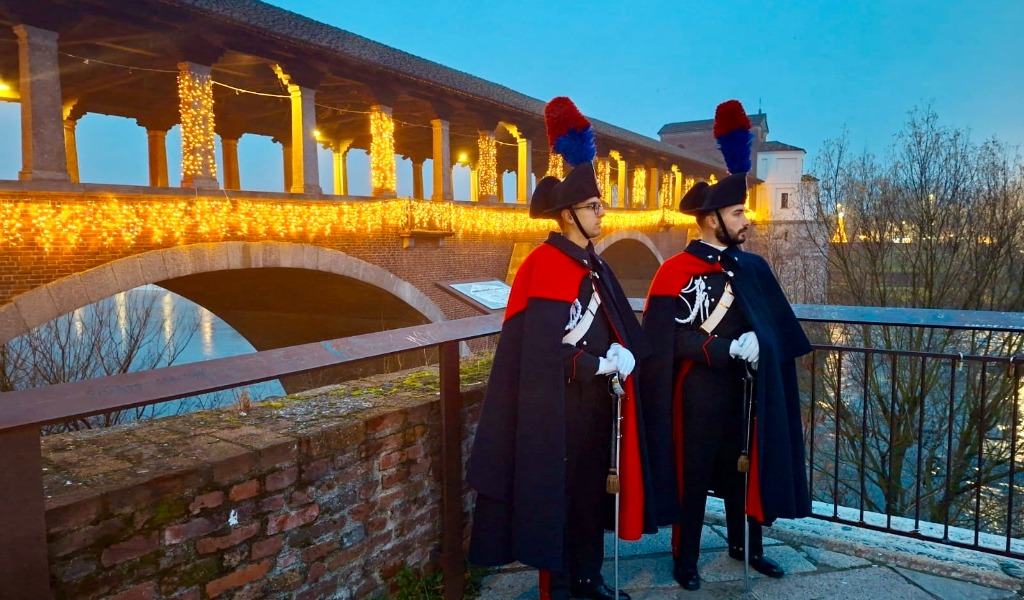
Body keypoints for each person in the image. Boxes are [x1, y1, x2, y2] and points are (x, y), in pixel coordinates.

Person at [466, 97, 656, 600]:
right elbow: (541, 353)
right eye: (595, 207)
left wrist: (625, 352)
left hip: (597, 405)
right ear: (569, 213)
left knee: (592, 498)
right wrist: (599, 362)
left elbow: (613, 323)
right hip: (556, 410)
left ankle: (590, 578)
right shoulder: (540, 267)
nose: (603, 214)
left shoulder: (594, 264)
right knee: (560, 499)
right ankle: (561, 586)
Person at [640, 100, 812, 591]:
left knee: (745, 471)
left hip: (748, 392)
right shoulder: (674, 272)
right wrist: (725, 349)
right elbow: (667, 335)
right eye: (738, 213)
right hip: (697, 393)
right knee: (691, 477)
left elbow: (778, 326)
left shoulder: (752, 267)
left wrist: (763, 339)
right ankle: (686, 558)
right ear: (712, 218)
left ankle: (748, 548)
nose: (747, 221)